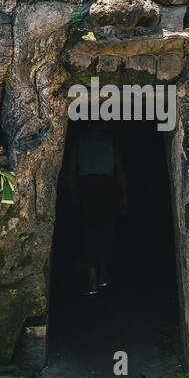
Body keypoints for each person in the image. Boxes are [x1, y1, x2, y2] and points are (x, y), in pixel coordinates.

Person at [66, 122, 128, 295]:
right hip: (106, 188)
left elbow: (71, 171)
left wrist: (73, 195)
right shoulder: (110, 141)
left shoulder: (81, 141)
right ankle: (103, 274)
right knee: (105, 231)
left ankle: (93, 280)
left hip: (87, 189)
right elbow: (120, 170)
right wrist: (124, 195)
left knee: (88, 232)